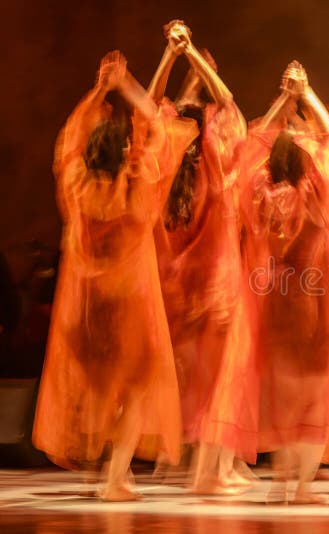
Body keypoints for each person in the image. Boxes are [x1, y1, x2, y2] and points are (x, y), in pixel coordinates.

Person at [32, 51, 197, 501]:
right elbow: (160, 128)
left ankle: (98, 471)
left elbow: (69, 140)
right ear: (123, 149)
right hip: (127, 308)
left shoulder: (77, 185)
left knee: (100, 389)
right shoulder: (136, 187)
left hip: (85, 310)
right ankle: (115, 478)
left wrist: (99, 91)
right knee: (141, 388)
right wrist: (124, 85)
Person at [239, 61, 329, 503]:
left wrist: (284, 101)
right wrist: (307, 95)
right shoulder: (316, 195)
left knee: (280, 388)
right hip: (313, 300)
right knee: (314, 391)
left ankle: (280, 483)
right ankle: (302, 487)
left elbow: (254, 143)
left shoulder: (260, 191)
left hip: (274, 296)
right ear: (308, 165)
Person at [148, 21, 250, 494]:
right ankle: (210, 473)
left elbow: (150, 106)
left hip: (176, 282)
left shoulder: (169, 141)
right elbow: (229, 105)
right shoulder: (213, 140)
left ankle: (204, 468)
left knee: (189, 376)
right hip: (215, 278)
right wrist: (192, 58)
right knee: (221, 374)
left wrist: (174, 57)